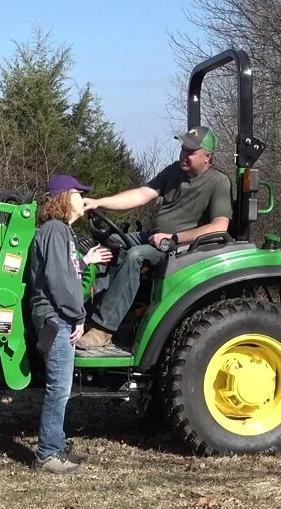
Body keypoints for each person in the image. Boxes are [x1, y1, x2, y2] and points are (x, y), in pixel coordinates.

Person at [75, 125, 232, 349]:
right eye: (183, 149)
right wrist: (99, 202)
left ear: (208, 157)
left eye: (191, 151)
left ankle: (104, 328)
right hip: (155, 237)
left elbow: (219, 227)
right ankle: (89, 310)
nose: (184, 155)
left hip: (183, 247)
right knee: (111, 242)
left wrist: (174, 238)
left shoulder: (219, 183)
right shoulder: (174, 171)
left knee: (135, 256)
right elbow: (142, 193)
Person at [28, 173, 113, 474]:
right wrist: (77, 316)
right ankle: (48, 454)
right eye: (79, 193)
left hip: (58, 316)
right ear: (65, 197)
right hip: (56, 317)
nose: (84, 199)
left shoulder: (60, 232)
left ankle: (57, 444)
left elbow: (65, 269)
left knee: (60, 386)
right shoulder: (55, 231)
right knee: (59, 388)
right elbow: (59, 281)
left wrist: (84, 261)